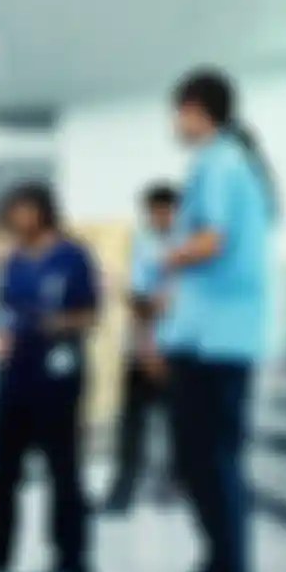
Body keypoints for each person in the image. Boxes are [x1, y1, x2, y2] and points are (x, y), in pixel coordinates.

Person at [159, 67, 277, 572]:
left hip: (212, 340)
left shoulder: (218, 162)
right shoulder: (237, 162)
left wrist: (167, 258)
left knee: (208, 465)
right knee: (211, 464)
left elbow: (212, 239)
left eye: (178, 112)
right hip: (223, 337)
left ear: (196, 110)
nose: (174, 124)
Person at [0, 182, 100, 572]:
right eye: (13, 212)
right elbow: (2, 310)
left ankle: (72, 562)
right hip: (15, 375)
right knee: (0, 474)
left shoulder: (72, 256)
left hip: (58, 375)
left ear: (43, 211)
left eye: (25, 211)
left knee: (63, 471)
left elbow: (91, 313)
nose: (18, 220)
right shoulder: (12, 261)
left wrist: (55, 323)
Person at [102, 183, 179, 515]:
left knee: (182, 428)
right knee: (131, 428)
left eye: (163, 211)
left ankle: (177, 491)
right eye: (152, 212)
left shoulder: (189, 248)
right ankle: (122, 495)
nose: (157, 218)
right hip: (143, 349)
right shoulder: (144, 245)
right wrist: (146, 348)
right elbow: (138, 299)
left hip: (179, 352)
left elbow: (166, 302)